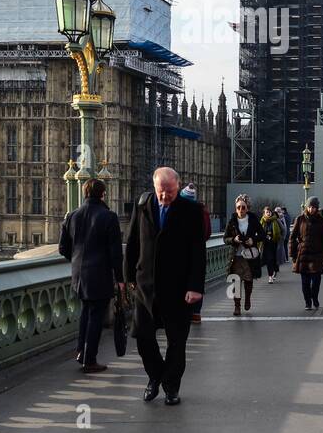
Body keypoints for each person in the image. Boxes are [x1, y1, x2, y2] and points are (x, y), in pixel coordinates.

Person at [125, 166, 206, 406]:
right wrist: (127, 277)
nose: (164, 196)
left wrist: (195, 286)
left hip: (178, 287)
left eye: (169, 191)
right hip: (145, 285)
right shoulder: (142, 206)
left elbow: (197, 251)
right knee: (143, 338)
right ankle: (155, 377)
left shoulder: (191, 210)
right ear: (154, 187)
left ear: (178, 187)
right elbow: (131, 243)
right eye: (161, 191)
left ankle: (171, 387)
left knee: (177, 340)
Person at [58, 178, 123, 374]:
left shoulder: (72, 215)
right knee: (95, 316)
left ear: (85, 193)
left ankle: (81, 351)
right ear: (103, 194)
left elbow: (62, 248)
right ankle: (89, 359)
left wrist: (77, 260)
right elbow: (115, 253)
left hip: (79, 275)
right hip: (99, 274)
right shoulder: (108, 217)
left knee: (86, 313)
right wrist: (120, 279)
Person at [224, 194, 265, 316]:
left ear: (248, 208)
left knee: (248, 280)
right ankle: (237, 306)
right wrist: (234, 239)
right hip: (235, 256)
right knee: (236, 281)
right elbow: (225, 238)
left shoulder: (253, 219)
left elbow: (262, 235)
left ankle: (247, 298)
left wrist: (253, 240)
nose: (240, 210)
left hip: (249, 256)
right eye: (238, 207)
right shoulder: (232, 221)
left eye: (243, 207)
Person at [291, 197, 323, 311]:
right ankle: (307, 301)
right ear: (306, 207)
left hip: (317, 254)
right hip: (303, 254)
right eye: (309, 207)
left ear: (317, 208)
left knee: (316, 281)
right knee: (305, 282)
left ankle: (314, 297)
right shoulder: (300, 219)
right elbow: (292, 237)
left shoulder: (322, 221)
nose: (311, 209)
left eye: (313, 207)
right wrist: (292, 253)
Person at [179, 183, 211, 323]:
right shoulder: (203, 211)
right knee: (197, 278)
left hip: (182, 251)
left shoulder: (179, 210)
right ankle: (196, 312)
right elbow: (208, 232)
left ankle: (184, 310)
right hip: (199, 249)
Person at [260, 205, 281, 283]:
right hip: (266, 244)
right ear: (264, 213)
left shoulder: (275, 220)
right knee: (269, 260)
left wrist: (278, 238)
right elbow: (259, 231)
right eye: (267, 212)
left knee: (273, 260)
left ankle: (275, 270)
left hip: (274, 243)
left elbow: (282, 230)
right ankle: (270, 276)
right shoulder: (262, 221)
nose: (268, 214)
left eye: (269, 212)